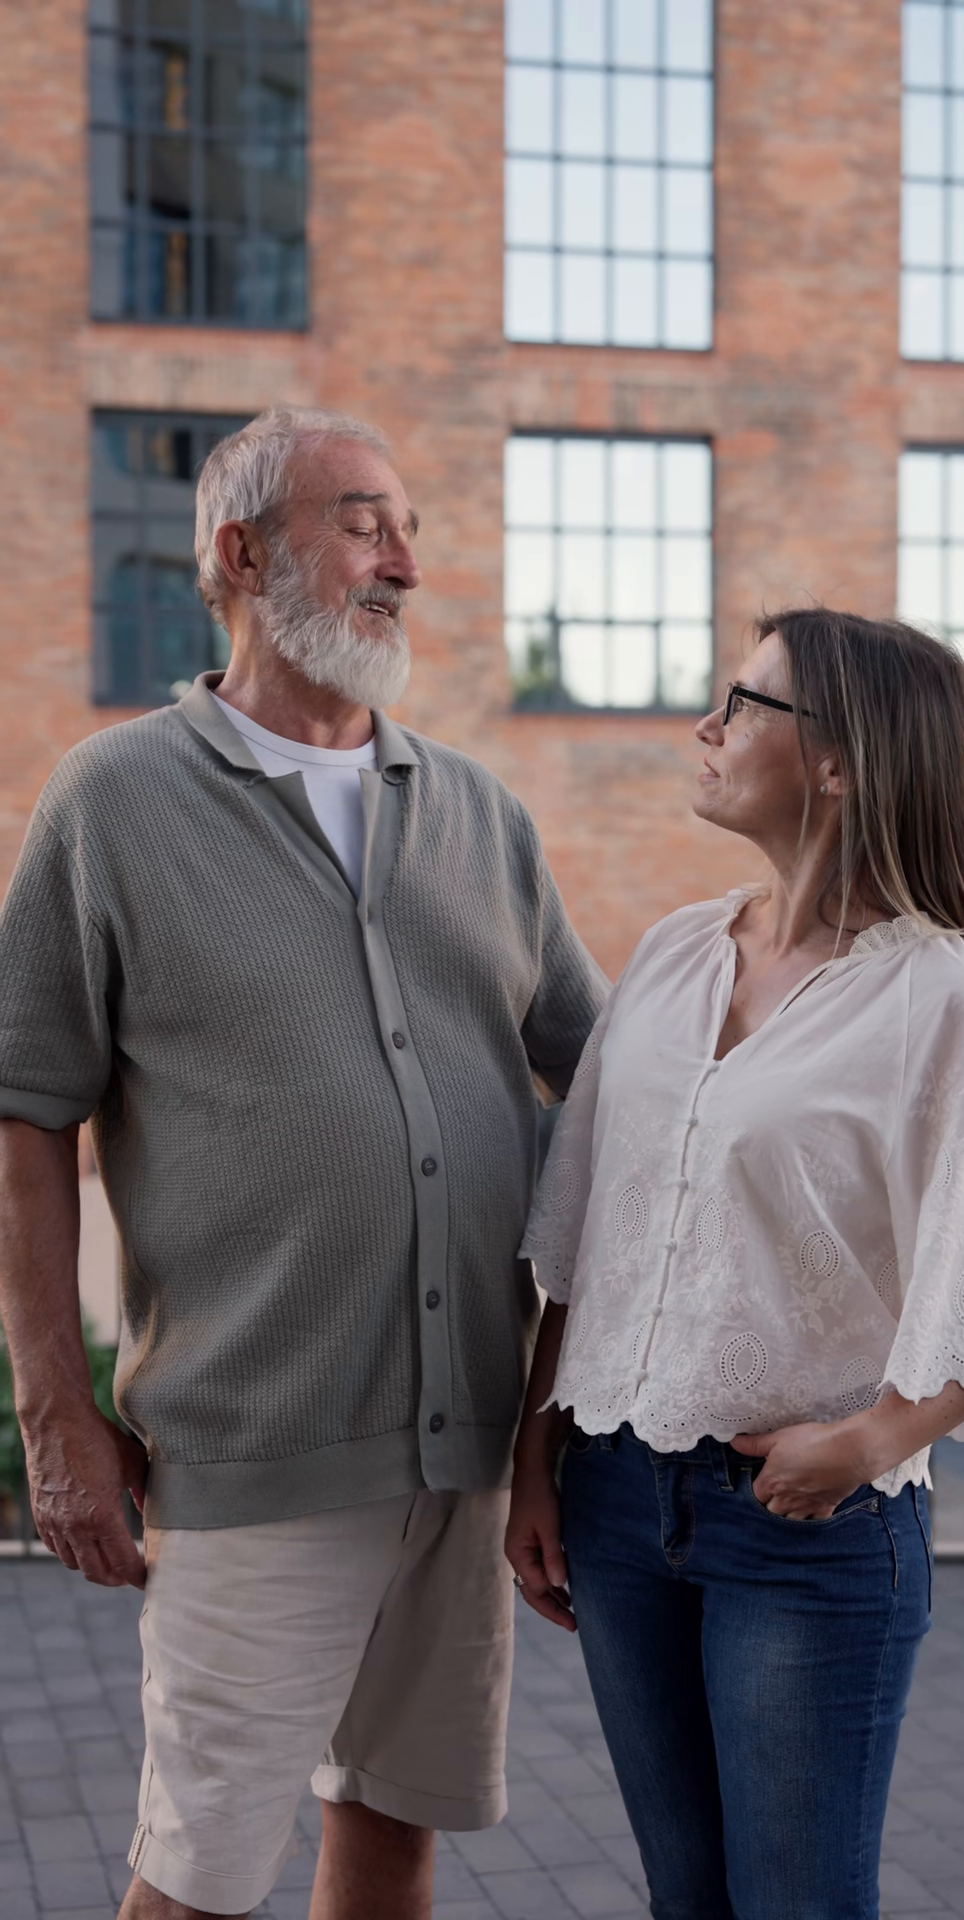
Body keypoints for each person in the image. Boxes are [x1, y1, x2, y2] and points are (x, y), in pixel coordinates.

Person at [0, 406, 607, 1920]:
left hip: (461, 1461)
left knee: (393, 1830)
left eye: (406, 523)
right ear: (242, 552)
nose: (405, 558)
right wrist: (57, 1415)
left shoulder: (479, 812)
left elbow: (609, 1081)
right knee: (197, 1877)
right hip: (252, 1457)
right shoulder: (112, 802)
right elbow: (23, 1114)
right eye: (364, 522)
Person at [506, 608, 964, 1920]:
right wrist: (533, 1464)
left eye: (743, 702)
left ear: (839, 762)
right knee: (687, 1901)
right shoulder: (668, 956)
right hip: (610, 1502)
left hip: (802, 1526)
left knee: (798, 1905)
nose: (706, 728)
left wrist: (869, 1442)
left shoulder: (949, 1002)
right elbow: (586, 1240)